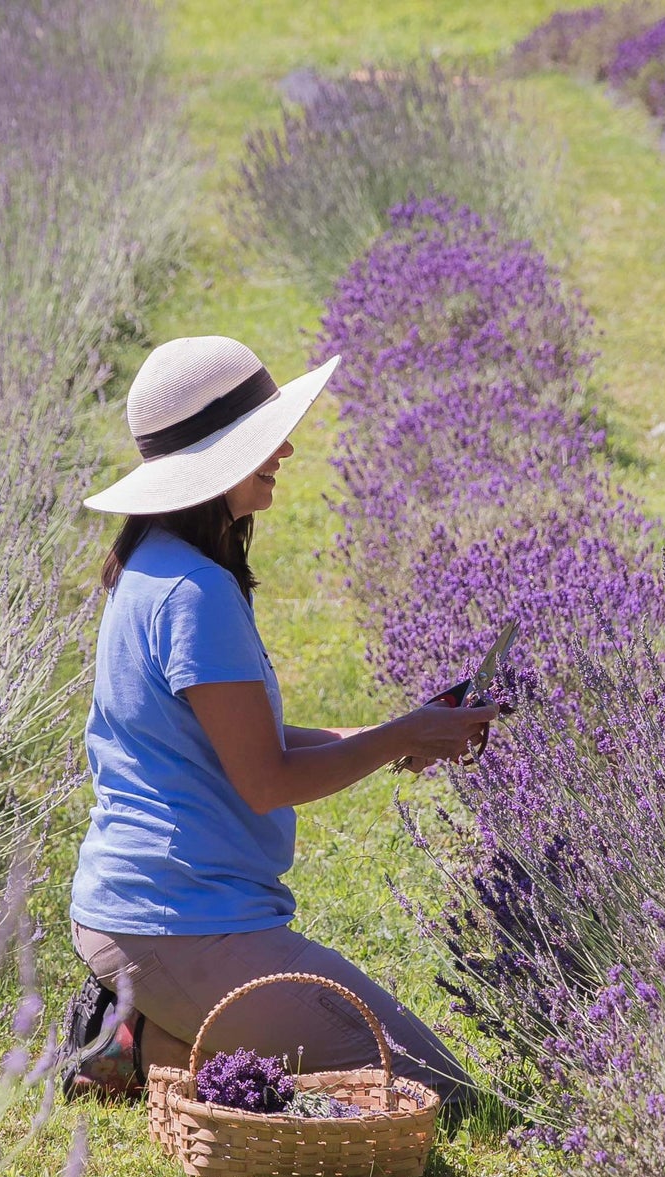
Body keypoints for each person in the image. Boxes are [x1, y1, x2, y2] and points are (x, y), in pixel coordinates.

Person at [65, 335, 496, 1105]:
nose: (287, 449)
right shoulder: (195, 593)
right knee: (441, 1094)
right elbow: (266, 781)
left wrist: (405, 730)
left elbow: (241, 749)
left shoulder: (155, 560)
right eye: (265, 438)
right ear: (212, 461)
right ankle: (148, 1039)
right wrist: (401, 736)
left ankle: (142, 1036)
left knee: (401, 1077)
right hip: (181, 930)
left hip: (143, 919)